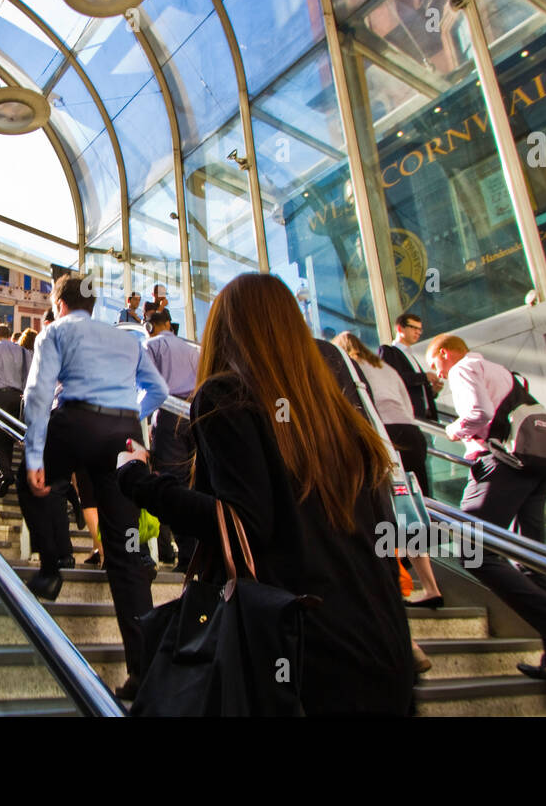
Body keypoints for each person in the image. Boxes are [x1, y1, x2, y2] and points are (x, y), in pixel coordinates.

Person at [117, 274, 415, 714]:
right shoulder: (339, 419)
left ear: (226, 330)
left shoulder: (227, 396)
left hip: (295, 651)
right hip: (383, 646)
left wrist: (140, 479)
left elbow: (240, 524)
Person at [21, 274, 168, 699]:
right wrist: (127, 415)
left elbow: (37, 395)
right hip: (121, 433)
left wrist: (34, 458)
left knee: (38, 479)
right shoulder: (125, 339)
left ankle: (52, 566)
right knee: (126, 554)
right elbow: (156, 391)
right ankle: (143, 676)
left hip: (75, 420)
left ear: (60, 304)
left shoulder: (55, 332)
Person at [427, 334, 546, 689]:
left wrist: (452, 430)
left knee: (473, 552)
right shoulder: (502, 371)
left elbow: (478, 414)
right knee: (529, 558)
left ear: (445, 353)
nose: (435, 372)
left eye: (433, 363)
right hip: (537, 465)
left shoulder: (463, 367)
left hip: (503, 463)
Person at [334, 332, 444, 608]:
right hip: (411, 433)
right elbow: (407, 404)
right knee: (407, 504)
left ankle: (391, 582)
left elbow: (355, 405)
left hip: (380, 434)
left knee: (378, 508)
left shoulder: (348, 366)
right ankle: (430, 586)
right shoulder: (386, 368)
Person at [144, 309, 200, 569]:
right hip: (195, 414)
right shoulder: (191, 349)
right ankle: (196, 551)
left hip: (168, 414)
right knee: (193, 483)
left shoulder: (151, 346)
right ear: (169, 324)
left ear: (151, 326)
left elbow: (146, 384)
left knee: (170, 483)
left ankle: (187, 554)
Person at [0, 323, 32, 497]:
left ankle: (5, 473)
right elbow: (31, 376)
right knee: (10, 436)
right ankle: (5, 475)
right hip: (20, 399)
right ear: (9, 335)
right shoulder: (24, 352)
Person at [379, 313, 440, 422]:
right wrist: (424, 377)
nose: (418, 332)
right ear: (399, 329)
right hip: (409, 417)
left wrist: (433, 391)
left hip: (428, 418)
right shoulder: (388, 351)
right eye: (414, 328)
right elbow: (392, 379)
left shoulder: (411, 356)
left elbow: (417, 391)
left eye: (420, 329)